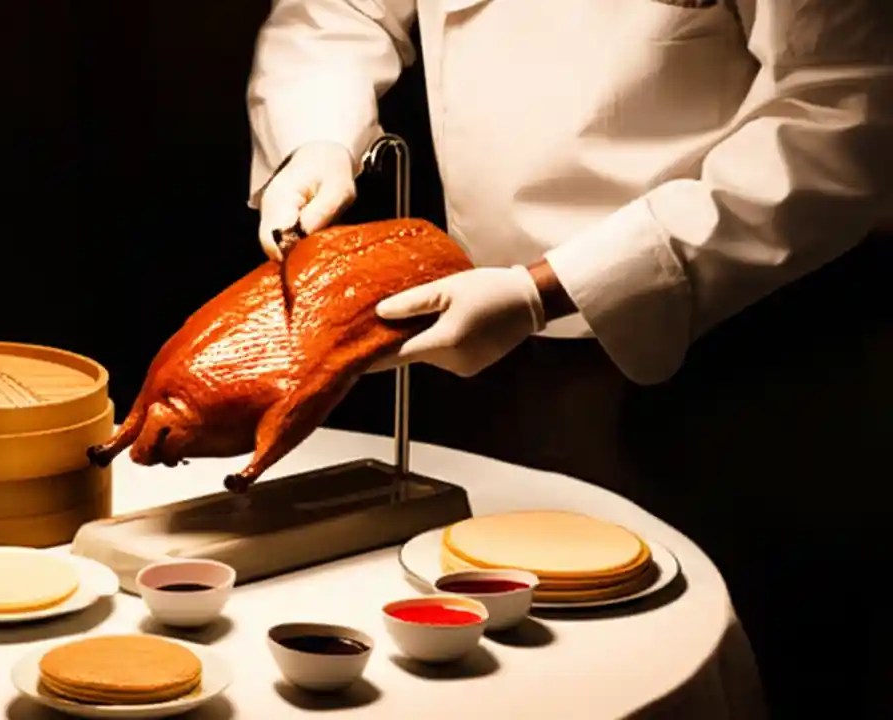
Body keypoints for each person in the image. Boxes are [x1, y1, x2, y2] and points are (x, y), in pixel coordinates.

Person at [244, 1, 892, 715]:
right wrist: (316, 140)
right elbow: (338, 10)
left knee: (732, 656)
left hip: (744, 341)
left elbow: (843, 107)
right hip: (490, 348)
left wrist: (549, 289)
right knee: (520, 671)